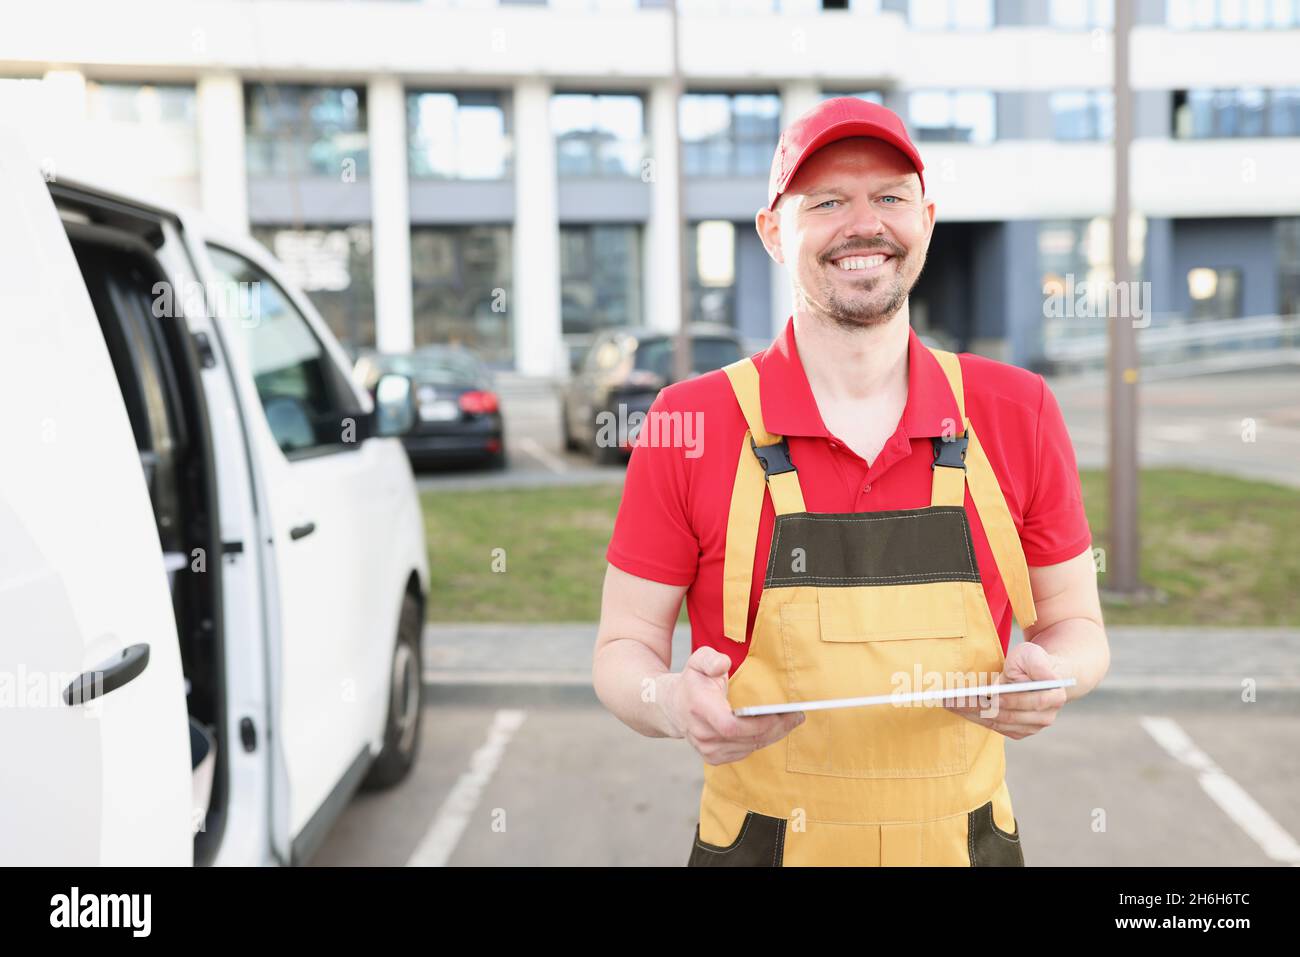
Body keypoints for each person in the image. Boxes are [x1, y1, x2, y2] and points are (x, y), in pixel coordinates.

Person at [592, 97, 1109, 866]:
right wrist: (667, 700)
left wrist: (1052, 677)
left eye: (890, 197)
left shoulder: (1017, 411)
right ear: (773, 231)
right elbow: (622, 648)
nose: (863, 224)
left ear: (926, 220)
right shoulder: (688, 419)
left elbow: (1080, 630)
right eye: (828, 201)